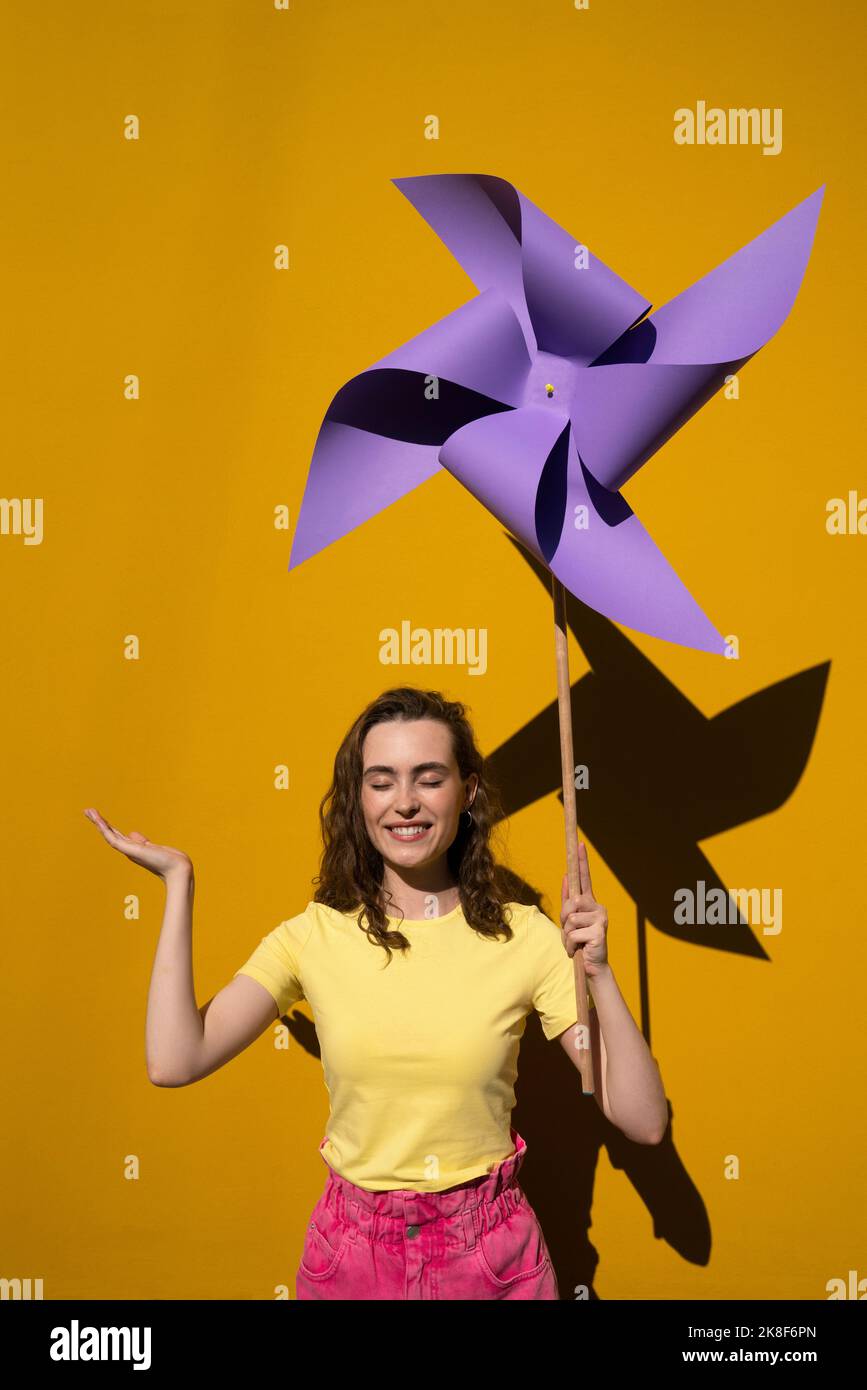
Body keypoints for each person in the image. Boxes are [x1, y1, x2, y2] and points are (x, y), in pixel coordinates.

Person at [84, 685, 667, 1300]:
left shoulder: (525, 936)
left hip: (489, 1260)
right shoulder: (312, 937)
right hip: (353, 1260)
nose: (406, 803)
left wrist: (598, 972)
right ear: (358, 798)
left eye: (429, 778)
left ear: (467, 792)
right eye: (382, 780)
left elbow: (645, 1121)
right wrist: (179, 884)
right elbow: (175, 1060)